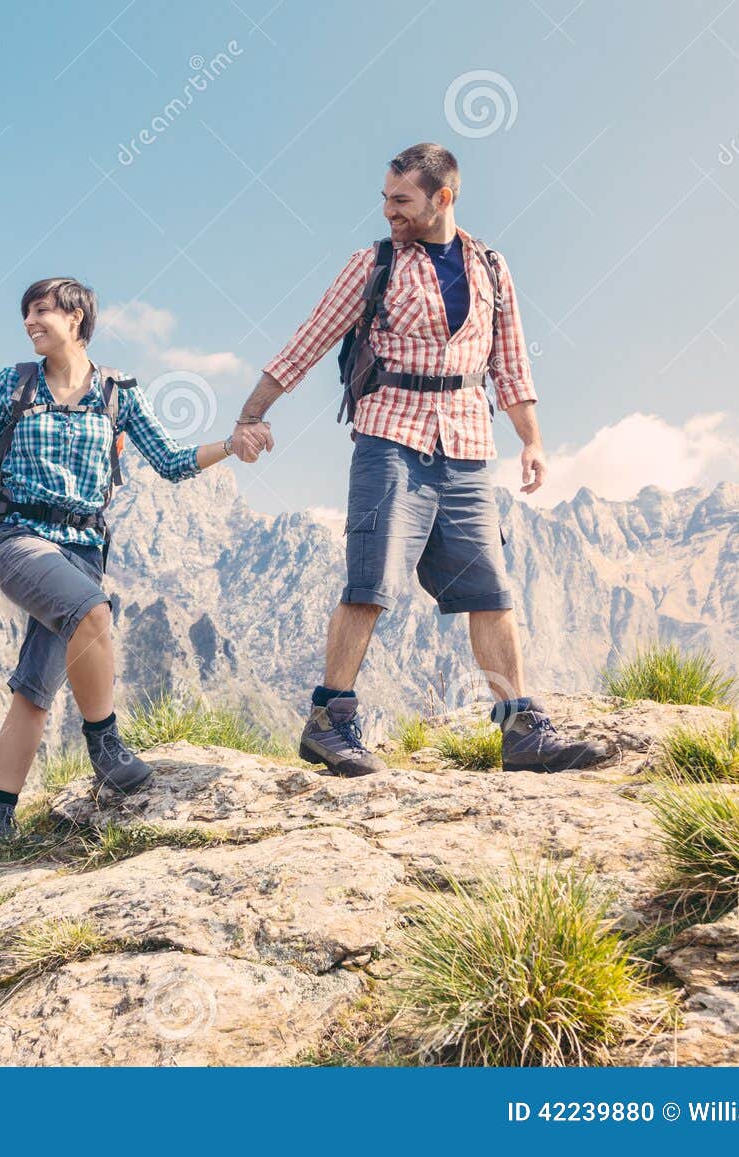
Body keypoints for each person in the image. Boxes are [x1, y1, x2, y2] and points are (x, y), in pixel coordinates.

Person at [230, 143, 608, 776]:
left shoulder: (491, 268)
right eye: (385, 198)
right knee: (370, 584)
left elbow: (511, 363)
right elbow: (308, 341)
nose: (389, 211)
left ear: (443, 197)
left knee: (491, 591)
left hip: (467, 446)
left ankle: (521, 731)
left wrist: (532, 441)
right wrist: (251, 414)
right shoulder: (372, 264)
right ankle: (328, 724)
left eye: (401, 200)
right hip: (390, 437)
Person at [0, 277, 241, 840]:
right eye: (26, 313)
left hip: (84, 550)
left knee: (35, 690)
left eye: (41, 310)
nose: (29, 322)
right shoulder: (14, 385)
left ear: (76, 317)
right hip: (18, 538)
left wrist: (232, 445)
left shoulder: (118, 393)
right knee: (93, 611)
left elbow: (170, 461)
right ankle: (105, 745)